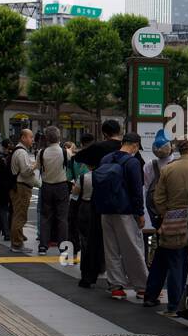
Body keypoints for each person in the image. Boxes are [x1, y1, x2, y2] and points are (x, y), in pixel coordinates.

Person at [144, 139, 188, 315]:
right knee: (181, 261)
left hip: (169, 221)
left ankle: (150, 294)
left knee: (162, 259)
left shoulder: (168, 169)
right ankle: (175, 303)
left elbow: (159, 198)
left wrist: (166, 214)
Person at [98, 132, 149, 300]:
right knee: (132, 248)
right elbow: (136, 191)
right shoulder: (132, 162)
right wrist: (140, 213)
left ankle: (116, 286)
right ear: (134, 145)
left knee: (111, 249)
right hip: (125, 212)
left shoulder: (106, 159)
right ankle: (142, 286)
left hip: (105, 210)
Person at [73, 121, 123, 288]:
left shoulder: (99, 147)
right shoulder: (127, 148)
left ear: (104, 133)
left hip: (98, 200)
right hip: (120, 200)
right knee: (119, 242)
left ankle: (88, 276)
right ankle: (117, 280)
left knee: (93, 239)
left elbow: (78, 157)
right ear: (120, 131)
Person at [36, 126, 72, 256]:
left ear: (46, 138)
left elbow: (36, 167)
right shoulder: (65, 152)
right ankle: (63, 247)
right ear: (59, 137)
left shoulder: (41, 152)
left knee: (45, 216)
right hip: (61, 186)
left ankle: (43, 246)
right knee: (62, 218)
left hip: (46, 186)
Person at [9, 128, 39, 252]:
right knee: (20, 215)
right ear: (23, 138)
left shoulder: (19, 150)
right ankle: (17, 244)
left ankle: (18, 240)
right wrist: (36, 165)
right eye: (30, 137)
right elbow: (26, 172)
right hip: (21, 187)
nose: (32, 140)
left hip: (17, 186)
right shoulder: (21, 152)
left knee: (18, 214)